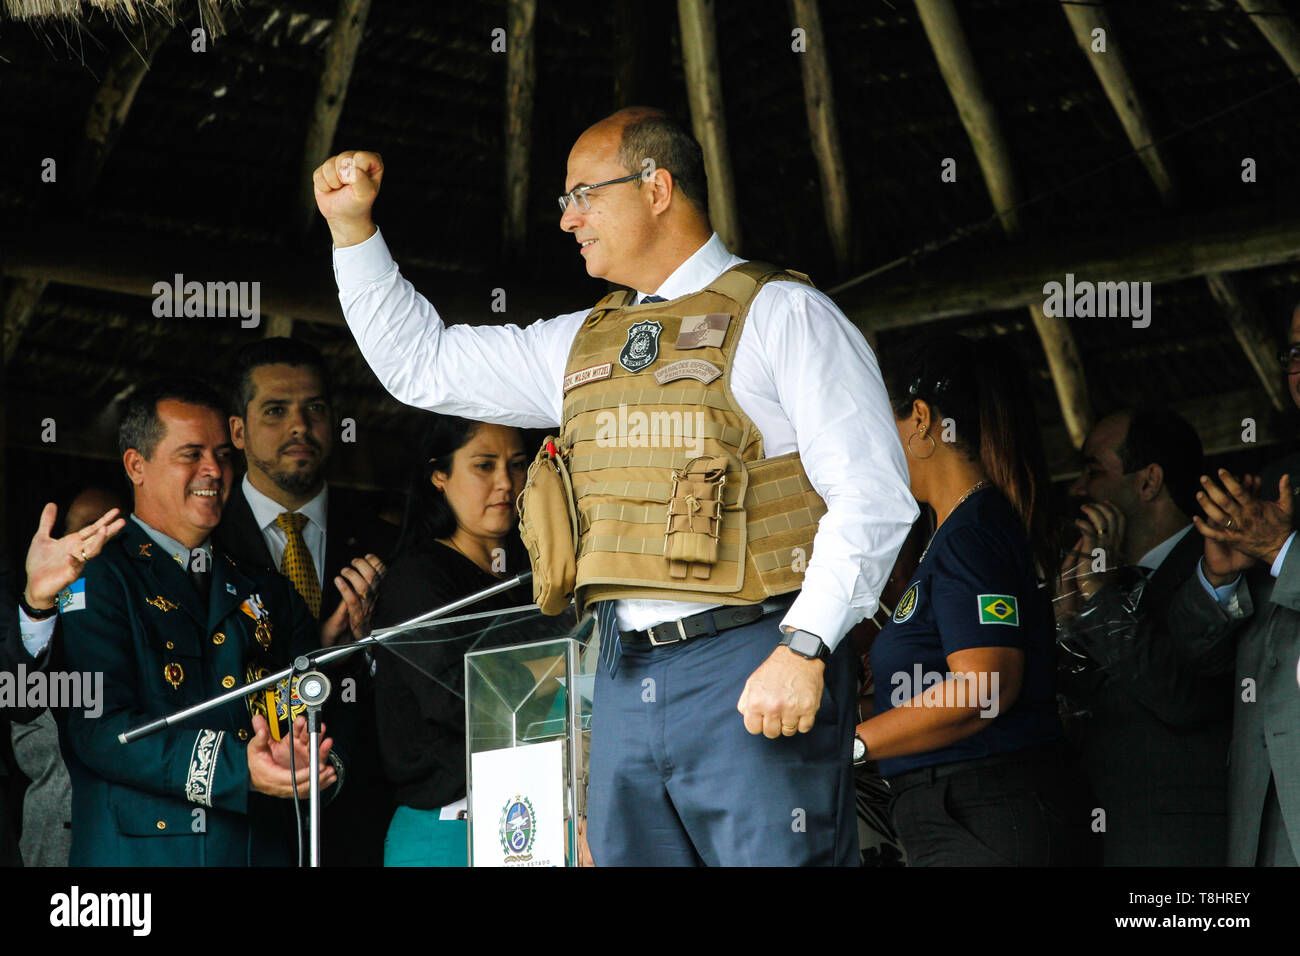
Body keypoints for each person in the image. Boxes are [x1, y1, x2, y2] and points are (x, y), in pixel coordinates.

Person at [314, 106, 917, 865]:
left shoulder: (783, 315)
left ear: (656, 187)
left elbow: (873, 494)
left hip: (752, 657)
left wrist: (806, 646)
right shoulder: (581, 341)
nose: (568, 220)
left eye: (583, 196)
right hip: (623, 674)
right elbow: (422, 366)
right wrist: (353, 233)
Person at [56, 379, 344, 866]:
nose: (214, 470)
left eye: (224, 455)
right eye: (191, 454)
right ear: (136, 465)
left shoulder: (269, 591)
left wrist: (314, 764)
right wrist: (238, 770)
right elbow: (101, 732)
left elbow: (310, 716)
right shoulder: (96, 577)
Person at [855, 334, 1091, 866]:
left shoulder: (972, 534)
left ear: (919, 419)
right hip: (965, 807)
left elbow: (984, 687)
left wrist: (853, 744)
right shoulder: (955, 531)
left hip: (986, 806)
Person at [215, 336, 393, 866]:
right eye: (276, 410)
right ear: (238, 431)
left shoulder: (382, 539)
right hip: (244, 826)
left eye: (314, 408)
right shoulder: (206, 540)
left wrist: (370, 646)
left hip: (363, 820)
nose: (300, 426)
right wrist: (319, 648)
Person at [371, 415, 571, 866]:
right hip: (447, 829)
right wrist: (549, 676)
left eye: (518, 465)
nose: (506, 482)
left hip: (539, 814)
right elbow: (459, 700)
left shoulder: (535, 571)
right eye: (484, 466)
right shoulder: (418, 579)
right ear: (438, 474)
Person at [1056, 408, 1231, 865]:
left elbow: (1176, 695)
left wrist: (1097, 595)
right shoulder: (1116, 579)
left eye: (1093, 471)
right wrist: (1067, 619)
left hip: (1183, 845)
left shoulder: (1216, 564)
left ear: (1149, 481)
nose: (1078, 488)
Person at [1165, 302, 1300, 866]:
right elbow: (1195, 660)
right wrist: (1217, 578)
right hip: (1266, 803)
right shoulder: (1276, 480)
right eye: (1294, 351)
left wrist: (1281, 550)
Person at [3, 501, 125, 866]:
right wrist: (40, 605)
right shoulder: (35, 626)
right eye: (85, 529)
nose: (96, 541)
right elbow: (20, 699)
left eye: (112, 529)